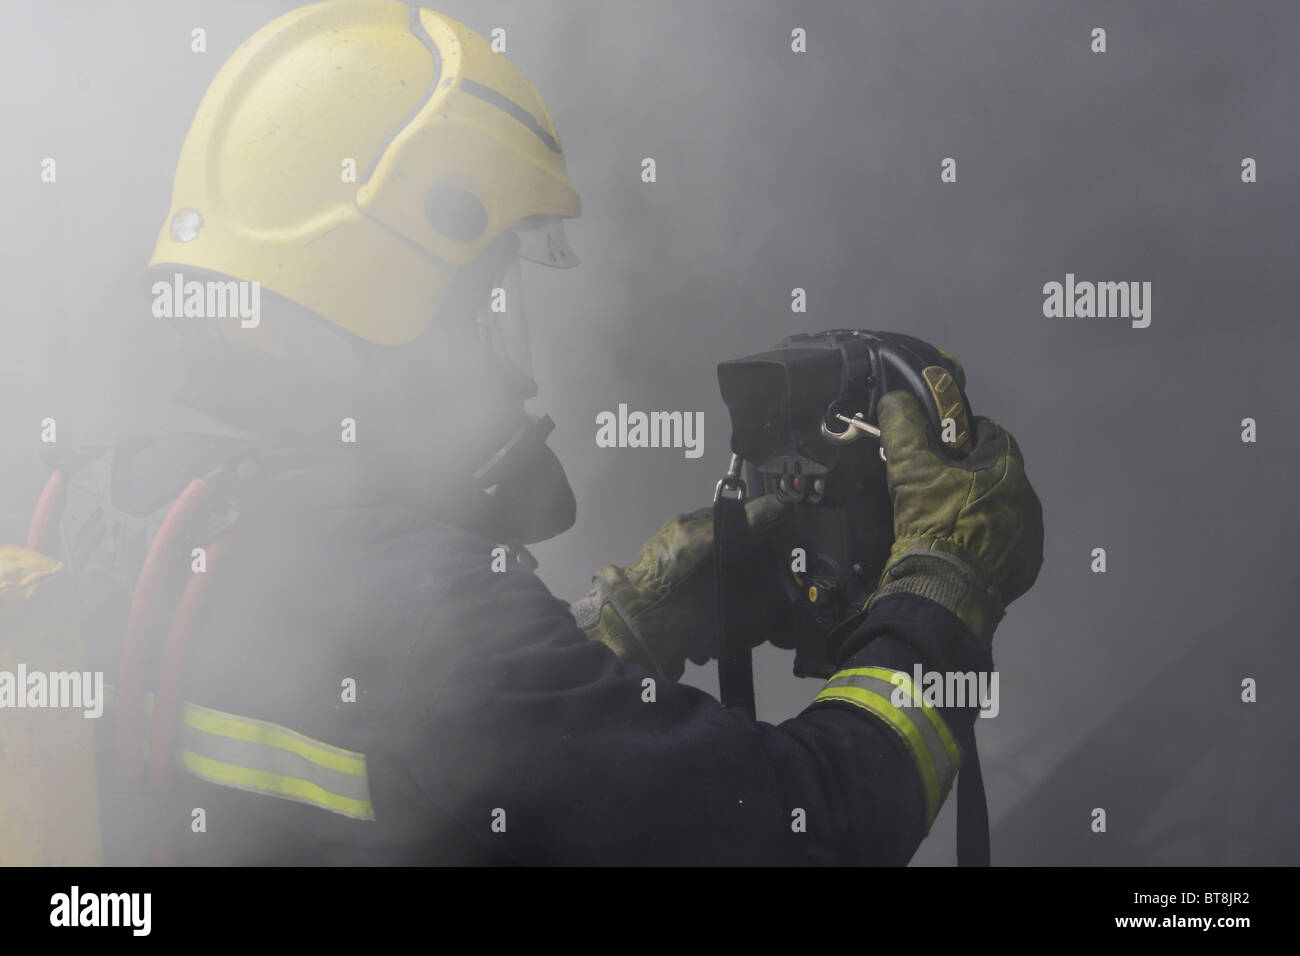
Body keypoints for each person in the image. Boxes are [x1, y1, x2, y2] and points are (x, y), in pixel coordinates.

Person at [38, 1, 1043, 864]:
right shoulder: (432, 619)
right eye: (482, 305)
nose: (515, 366)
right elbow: (811, 825)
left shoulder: (103, 509)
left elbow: (414, 757)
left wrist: (619, 629)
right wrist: (939, 585)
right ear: (375, 295)